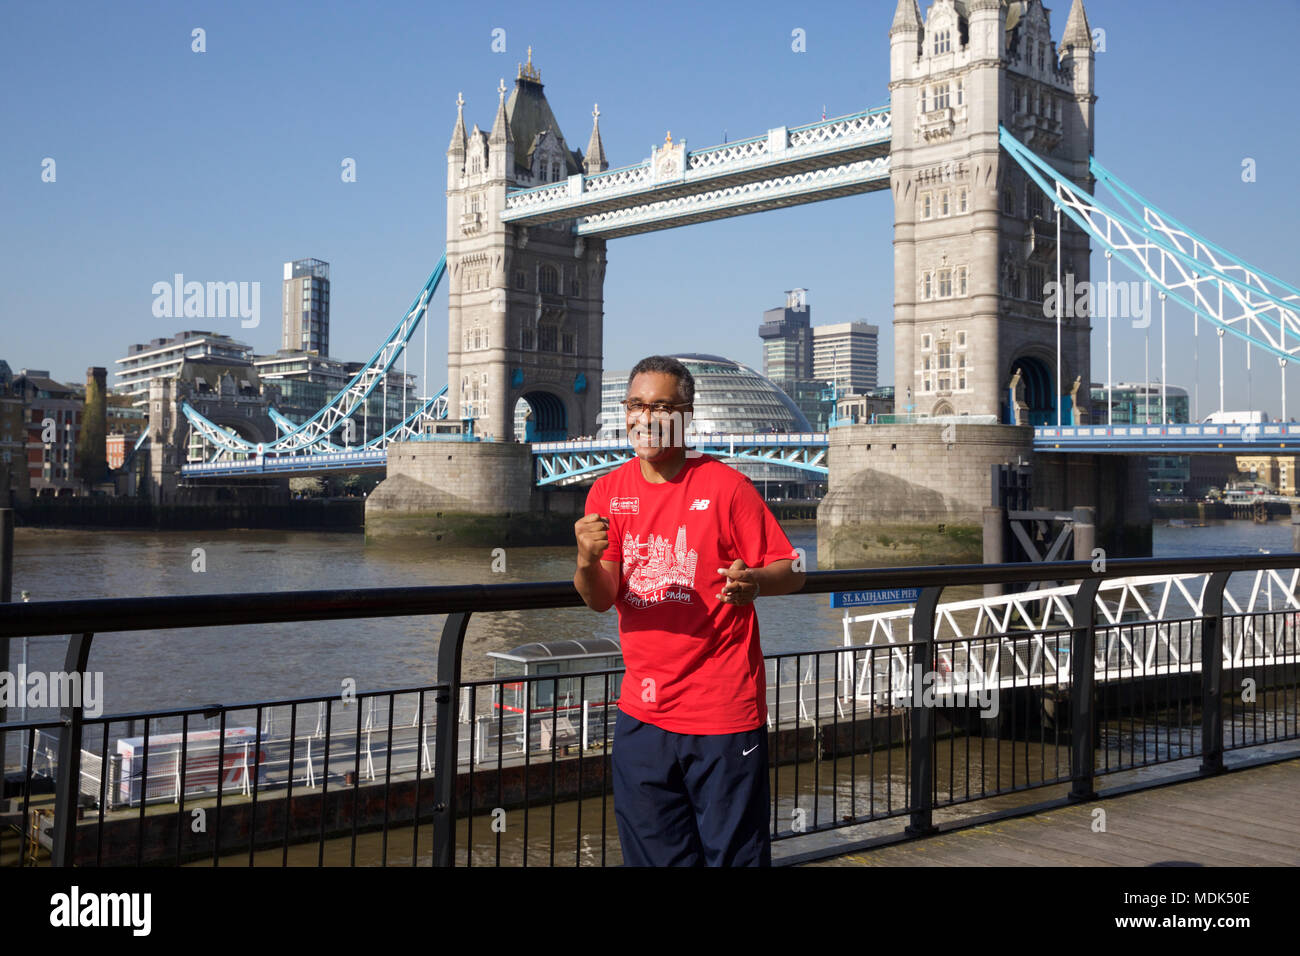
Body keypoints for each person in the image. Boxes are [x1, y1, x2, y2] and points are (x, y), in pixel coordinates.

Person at [572, 355, 805, 866]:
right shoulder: (608, 491)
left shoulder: (726, 488)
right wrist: (587, 560)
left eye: (661, 406)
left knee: (733, 857)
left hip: (721, 713)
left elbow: (793, 569)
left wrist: (754, 583)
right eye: (635, 404)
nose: (645, 416)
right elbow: (599, 598)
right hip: (642, 715)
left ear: (686, 414)